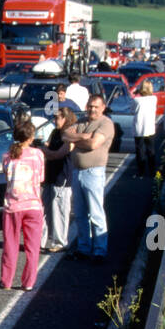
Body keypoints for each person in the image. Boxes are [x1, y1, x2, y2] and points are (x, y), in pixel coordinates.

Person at [63, 92, 113, 262]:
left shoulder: (106, 124)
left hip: (93, 172)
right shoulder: (82, 122)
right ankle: (84, 248)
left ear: (103, 108)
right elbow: (64, 135)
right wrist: (83, 137)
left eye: (96, 107)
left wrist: (76, 141)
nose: (92, 109)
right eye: (90, 106)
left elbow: (94, 144)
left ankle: (100, 250)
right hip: (77, 171)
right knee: (80, 213)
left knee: (96, 213)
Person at [0, 118, 45, 290]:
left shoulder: (7, 156)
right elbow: (41, 178)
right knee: (32, 247)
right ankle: (28, 282)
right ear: (31, 137)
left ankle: (6, 280)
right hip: (33, 204)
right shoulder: (38, 154)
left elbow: (6, 176)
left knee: (10, 244)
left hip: (12, 205)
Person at [41, 105, 75, 252]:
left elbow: (59, 154)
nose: (54, 121)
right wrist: (44, 147)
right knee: (45, 209)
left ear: (65, 119)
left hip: (63, 177)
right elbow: (48, 145)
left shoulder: (70, 135)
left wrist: (44, 150)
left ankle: (60, 242)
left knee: (59, 210)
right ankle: (40, 240)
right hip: (50, 175)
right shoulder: (55, 132)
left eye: (57, 118)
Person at [133, 80, 158, 177]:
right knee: (151, 150)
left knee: (140, 150)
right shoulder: (154, 99)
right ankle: (152, 171)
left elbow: (132, 110)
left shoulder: (136, 100)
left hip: (139, 128)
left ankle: (141, 172)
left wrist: (136, 93)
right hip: (150, 127)